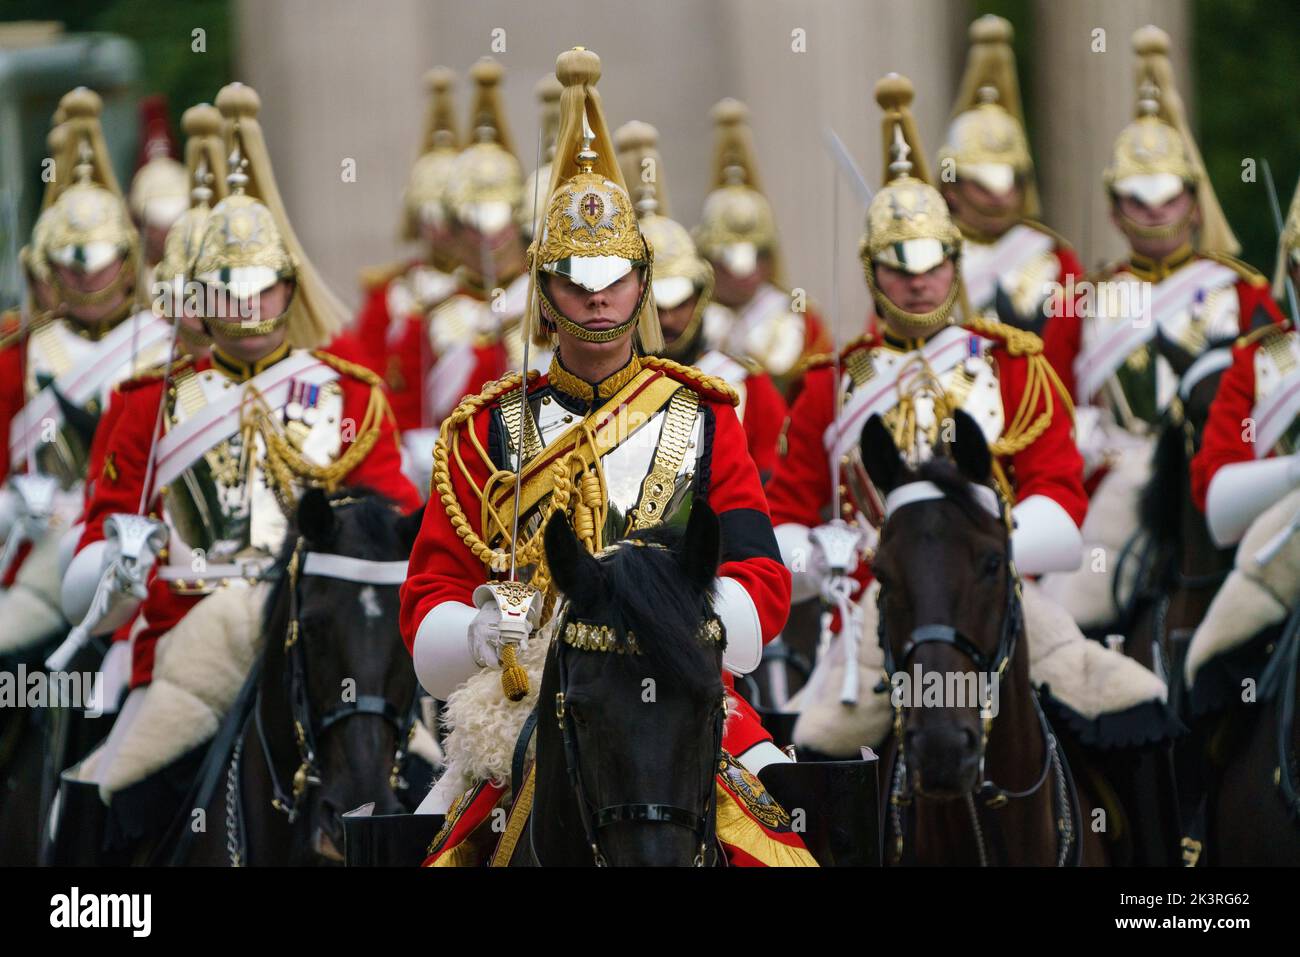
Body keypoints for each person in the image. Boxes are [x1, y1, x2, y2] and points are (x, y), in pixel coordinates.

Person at [400, 47, 812, 867]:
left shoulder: (701, 414)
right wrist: (485, 631)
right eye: (578, 277)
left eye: (618, 277)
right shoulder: (485, 427)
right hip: (526, 699)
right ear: (544, 290)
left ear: (643, 283)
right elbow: (431, 591)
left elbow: (762, 575)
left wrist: (691, 625)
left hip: (686, 687)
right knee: (434, 839)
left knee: (795, 834)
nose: (599, 295)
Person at [57, 83, 418, 847]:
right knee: (108, 787)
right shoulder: (144, 404)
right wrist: (113, 566)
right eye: (230, 292)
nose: (249, 311)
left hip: (324, 631)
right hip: (193, 635)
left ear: (289, 287)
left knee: (433, 775)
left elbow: (386, 525)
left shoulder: (352, 394)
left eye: (264, 291)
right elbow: (99, 534)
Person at [1037, 25, 1281, 628]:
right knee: (1064, 618)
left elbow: (1278, 392)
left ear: (1195, 203)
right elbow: (1048, 404)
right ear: (1114, 208)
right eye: (1137, 199)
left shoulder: (1243, 291)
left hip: (1221, 476)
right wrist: (1091, 443)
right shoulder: (1081, 297)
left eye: (1168, 197)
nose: (1155, 212)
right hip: (1123, 480)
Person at [0, 89, 171, 654]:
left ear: (128, 260)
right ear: (47, 269)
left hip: (151, 546)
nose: (91, 277)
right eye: (75, 264)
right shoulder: (17, 356)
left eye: (104, 260)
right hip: (47, 545)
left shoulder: (168, 344)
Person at [614, 119, 787, 481]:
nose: (670, 318)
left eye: (681, 303)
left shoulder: (745, 383)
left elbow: (774, 479)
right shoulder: (600, 388)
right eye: (655, 308)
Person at [937, 15, 1082, 335]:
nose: (999, 196)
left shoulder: (1057, 262)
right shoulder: (927, 259)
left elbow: (1071, 352)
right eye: (981, 183)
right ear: (951, 187)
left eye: (1009, 181)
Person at [351, 67, 462, 439]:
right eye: (428, 216)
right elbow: (364, 376)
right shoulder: (391, 292)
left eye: (448, 216)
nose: (439, 230)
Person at [694, 99, 830, 396]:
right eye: (728, 260)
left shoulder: (802, 318)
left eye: (757, 256)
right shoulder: (685, 322)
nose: (744, 272)